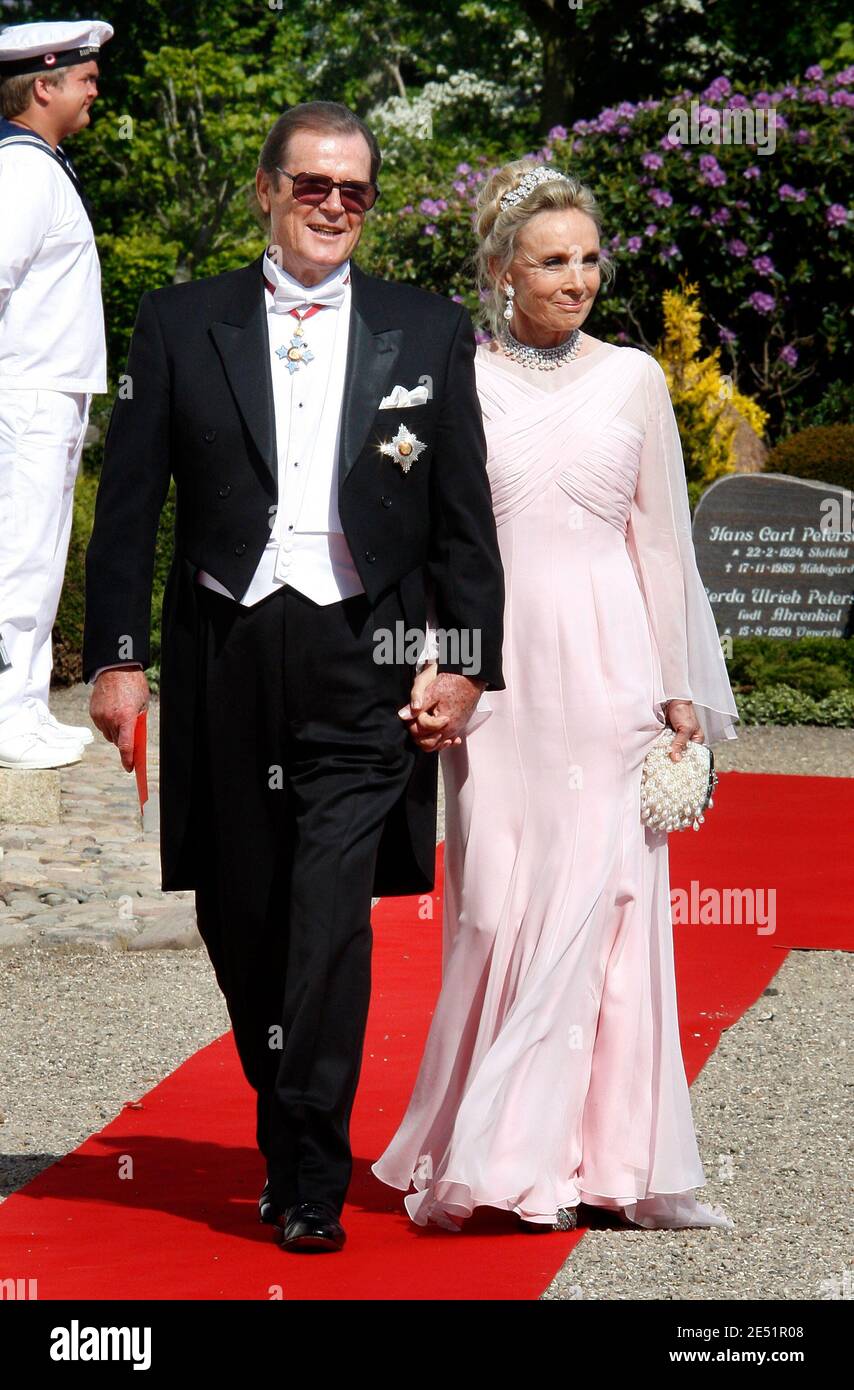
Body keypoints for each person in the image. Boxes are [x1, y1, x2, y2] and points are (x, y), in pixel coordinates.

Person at [83, 102, 505, 1253]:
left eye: (355, 192)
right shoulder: (179, 323)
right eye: (312, 185)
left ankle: (312, 1165)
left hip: (364, 654)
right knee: (241, 910)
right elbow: (129, 513)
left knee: (329, 915)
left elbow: (463, 520)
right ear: (268, 189)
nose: (333, 207)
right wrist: (116, 660)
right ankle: (287, 1121)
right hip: (226, 649)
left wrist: (462, 665)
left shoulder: (425, 329)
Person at [372, 159, 740, 1233]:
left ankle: (599, 1165)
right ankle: (480, 1146)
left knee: (603, 913)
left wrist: (676, 687)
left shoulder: (631, 378)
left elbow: (659, 543)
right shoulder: (456, 377)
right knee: (489, 905)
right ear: (499, 270)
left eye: (587, 258)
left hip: (611, 670)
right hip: (496, 669)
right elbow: (425, 537)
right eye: (551, 260)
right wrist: (433, 657)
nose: (576, 279)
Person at [0, 19, 113, 769]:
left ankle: (27, 706)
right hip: (27, 391)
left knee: (39, 556)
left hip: (49, 391)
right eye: (86, 79)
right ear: (44, 85)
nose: (95, 90)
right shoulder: (23, 172)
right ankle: (8, 717)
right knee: (20, 556)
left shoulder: (41, 166)